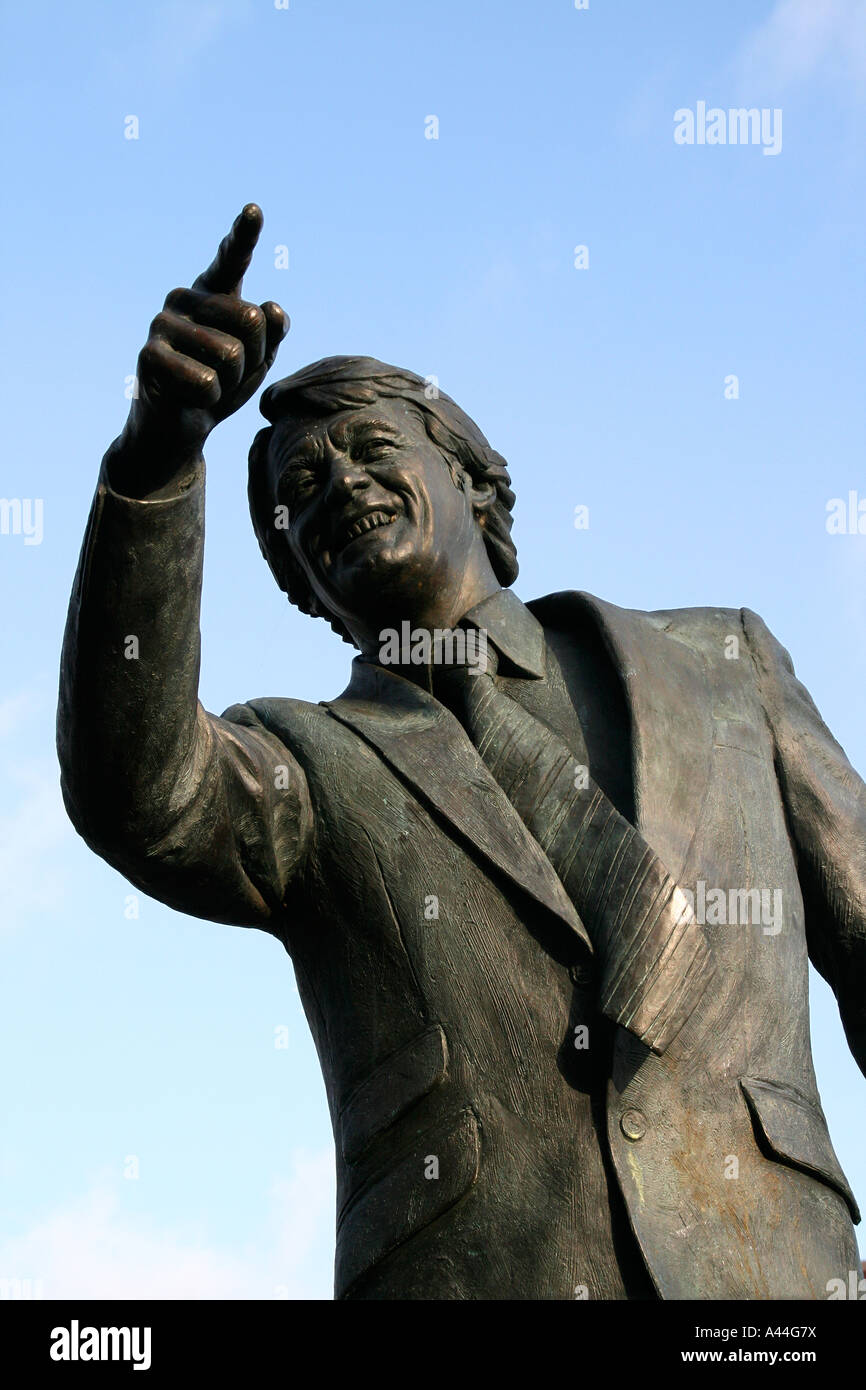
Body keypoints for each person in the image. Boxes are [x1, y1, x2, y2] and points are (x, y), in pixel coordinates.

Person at [58, 206, 865, 1300]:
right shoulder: (301, 763)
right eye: (297, 496)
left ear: (474, 484)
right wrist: (157, 456)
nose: (333, 488)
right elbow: (133, 788)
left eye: (369, 450)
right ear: (299, 585)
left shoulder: (723, 665)